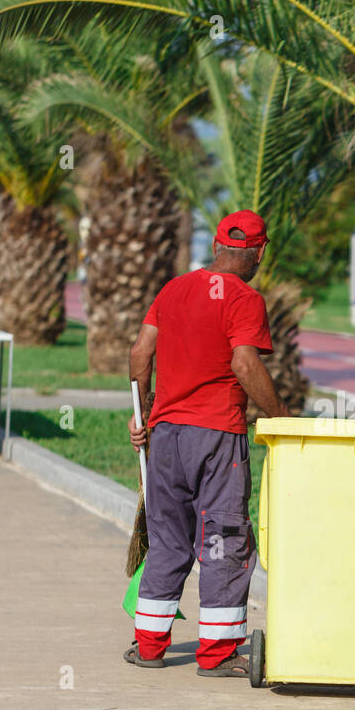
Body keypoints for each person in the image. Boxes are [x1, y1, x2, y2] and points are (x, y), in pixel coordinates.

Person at [126, 210, 291, 677]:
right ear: (258, 252)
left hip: (166, 437)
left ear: (217, 245)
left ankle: (150, 647)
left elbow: (140, 353)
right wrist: (280, 418)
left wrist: (142, 414)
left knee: (167, 541)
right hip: (216, 436)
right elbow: (244, 363)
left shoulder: (174, 288)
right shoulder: (244, 297)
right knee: (223, 540)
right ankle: (217, 654)